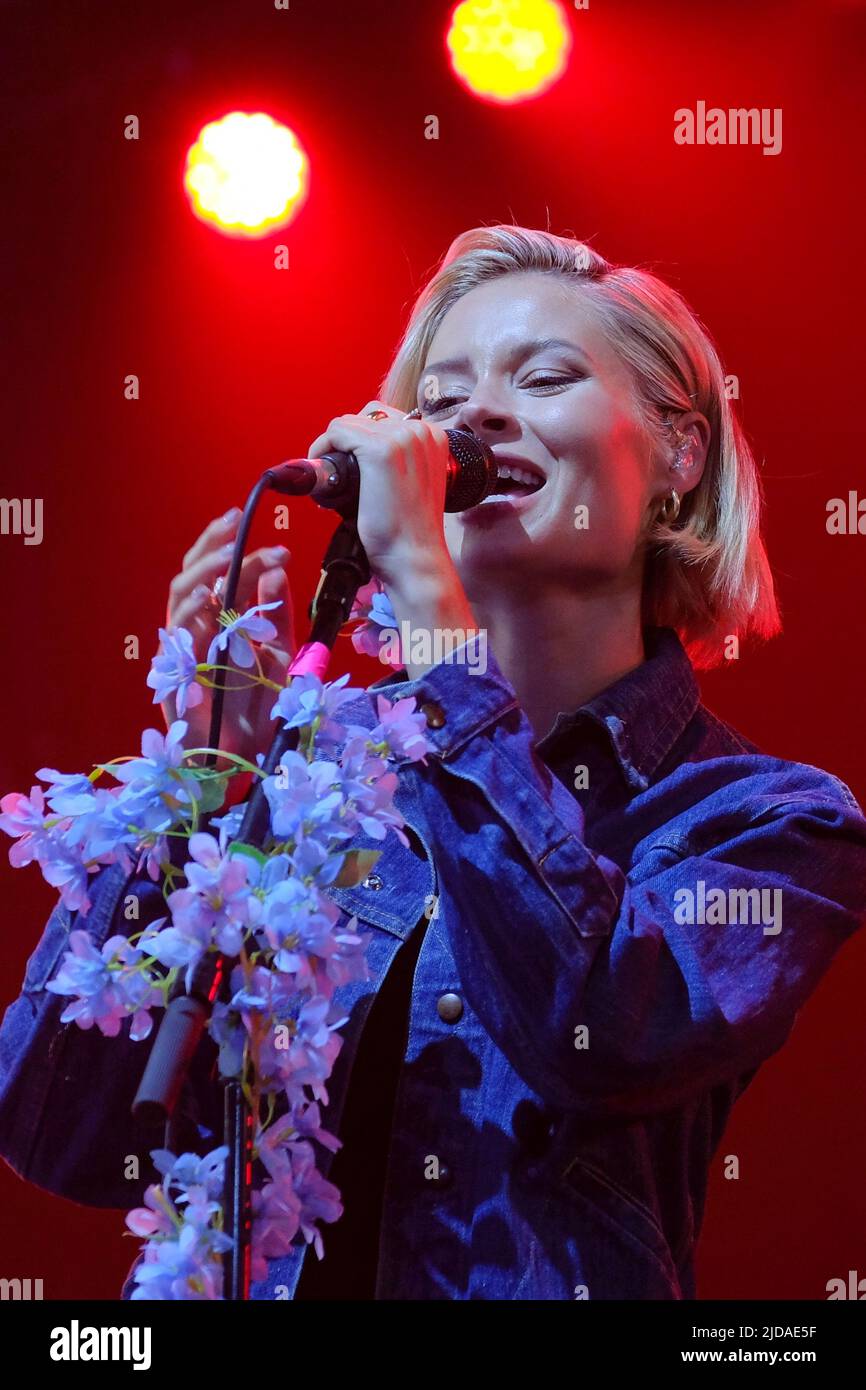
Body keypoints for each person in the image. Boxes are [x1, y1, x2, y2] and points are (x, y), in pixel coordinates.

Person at [2, 224, 865, 1300]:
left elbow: (590, 1027)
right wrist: (207, 787)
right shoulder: (324, 776)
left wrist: (435, 633)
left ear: (677, 457)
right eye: (442, 395)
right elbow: (63, 1135)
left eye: (544, 376)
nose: (475, 416)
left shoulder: (767, 820)